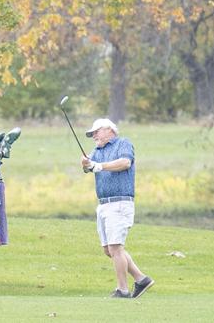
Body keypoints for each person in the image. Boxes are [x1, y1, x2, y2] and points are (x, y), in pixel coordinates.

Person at [82, 118, 154, 299]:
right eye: (92, 134)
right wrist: (86, 164)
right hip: (104, 204)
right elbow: (90, 166)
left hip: (120, 203)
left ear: (109, 130)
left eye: (96, 132)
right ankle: (141, 279)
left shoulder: (123, 143)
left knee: (116, 247)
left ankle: (122, 290)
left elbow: (125, 163)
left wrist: (98, 166)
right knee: (109, 250)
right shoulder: (97, 151)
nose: (94, 136)